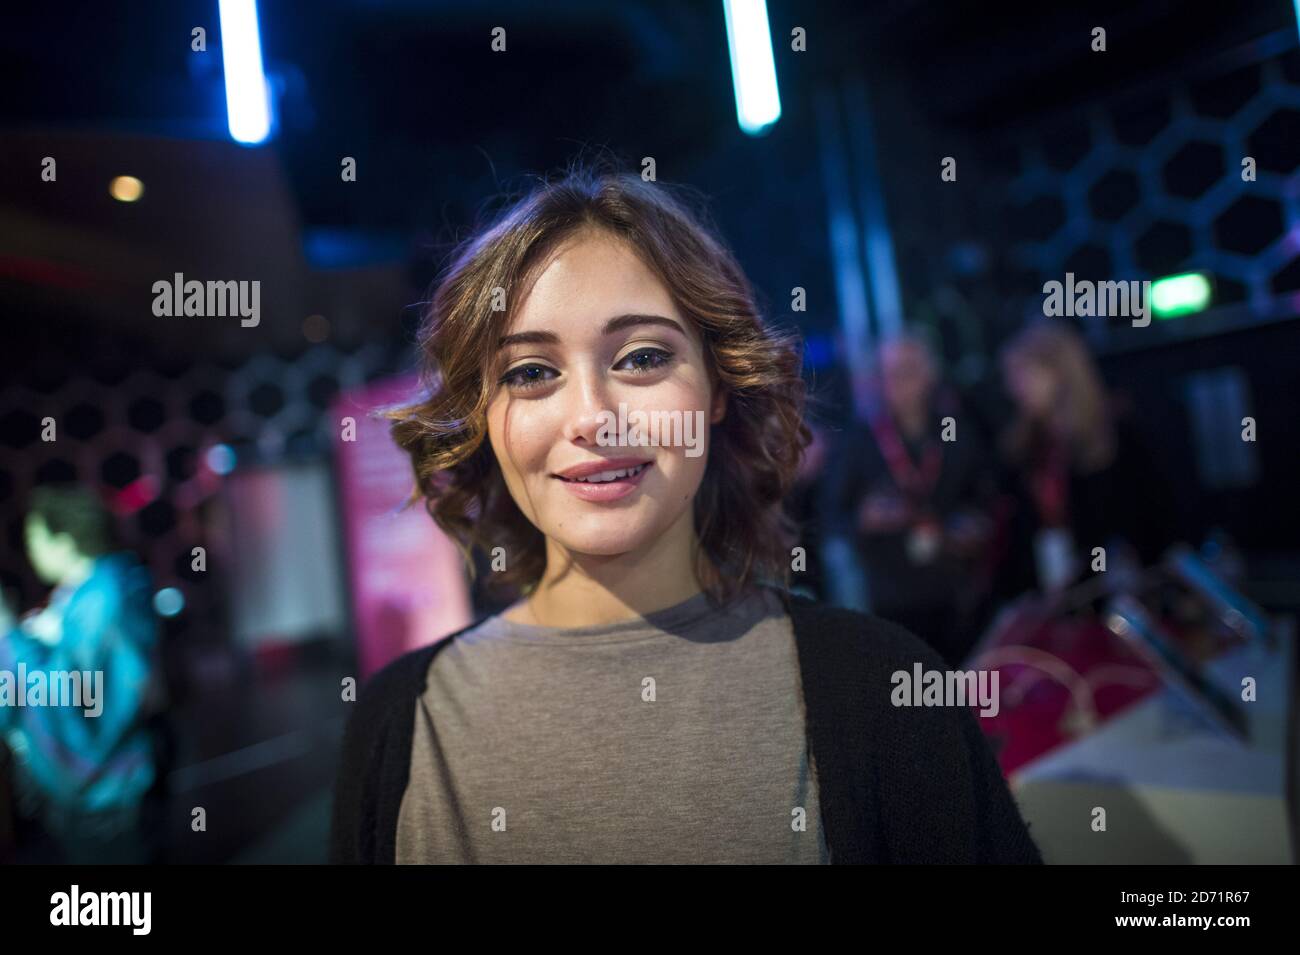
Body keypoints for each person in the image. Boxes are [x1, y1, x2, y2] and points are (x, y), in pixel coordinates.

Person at [329, 162, 1042, 864]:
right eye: (531, 372)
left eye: (641, 358)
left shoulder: (884, 695)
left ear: (718, 387)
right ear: (484, 419)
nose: (593, 418)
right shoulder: (399, 723)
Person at [0, 484, 165, 863]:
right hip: (122, 785)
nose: (30, 551)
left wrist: (10, 638)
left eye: (34, 538)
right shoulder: (92, 593)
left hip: (113, 793)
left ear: (64, 539)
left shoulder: (101, 600)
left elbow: (74, 694)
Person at [825, 332, 996, 666]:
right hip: (893, 598)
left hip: (957, 592)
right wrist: (865, 518)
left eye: (907, 371)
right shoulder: (860, 441)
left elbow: (986, 496)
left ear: (929, 374)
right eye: (887, 373)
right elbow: (833, 518)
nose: (896, 383)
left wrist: (976, 524)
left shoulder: (955, 429)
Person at [996, 322, 1177, 598]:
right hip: (1053, 591)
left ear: (1059, 372)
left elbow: (1152, 515)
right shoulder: (1024, 446)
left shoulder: (1116, 433)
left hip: (1118, 592)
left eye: (1024, 375)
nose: (1015, 388)